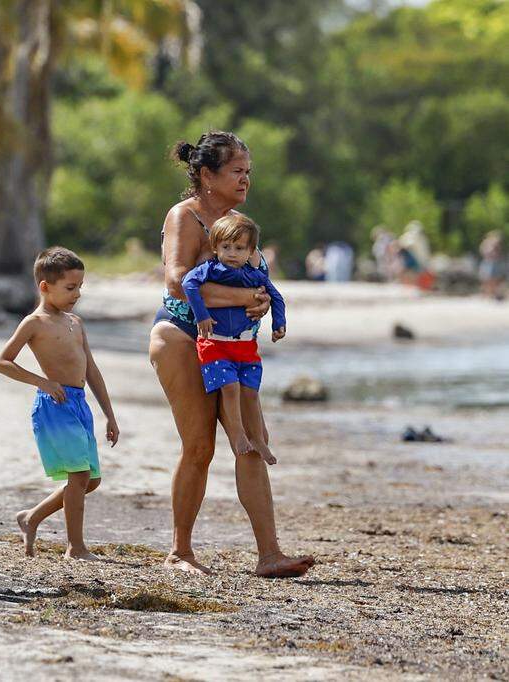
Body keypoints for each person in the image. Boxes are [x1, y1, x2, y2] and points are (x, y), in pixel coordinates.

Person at [148, 131, 313, 578]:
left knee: (253, 443)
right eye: (237, 171)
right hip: (181, 335)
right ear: (206, 175)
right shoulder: (184, 216)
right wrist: (240, 300)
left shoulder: (240, 224)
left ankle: (270, 555)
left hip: (233, 344)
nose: (245, 179)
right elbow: (177, 280)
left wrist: (262, 302)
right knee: (199, 446)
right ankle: (180, 552)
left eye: (248, 172)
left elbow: (256, 282)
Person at [0, 247, 119, 560]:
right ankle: (75, 548)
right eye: (70, 287)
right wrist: (43, 382)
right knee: (78, 477)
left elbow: (91, 370)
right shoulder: (34, 323)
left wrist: (110, 415)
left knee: (90, 480)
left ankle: (31, 517)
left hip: (79, 404)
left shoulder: (76, 322)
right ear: (45, 287)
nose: (77, 293)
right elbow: (3, 362)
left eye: (80, 287)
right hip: (54, 405)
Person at [182, 214, 284, 466]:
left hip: (246, 345)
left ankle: (258, 438)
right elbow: (188, 284)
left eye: (239, 248)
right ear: (215, 247)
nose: (231, 253)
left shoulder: (255, 276)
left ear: (251, 251)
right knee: (231, 388)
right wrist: (201, 315)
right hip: (214, 342)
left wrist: (278, 323)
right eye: (225, 247)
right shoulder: (210, 270)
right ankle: (238, 435)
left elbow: (277, 297)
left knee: (250, 392)